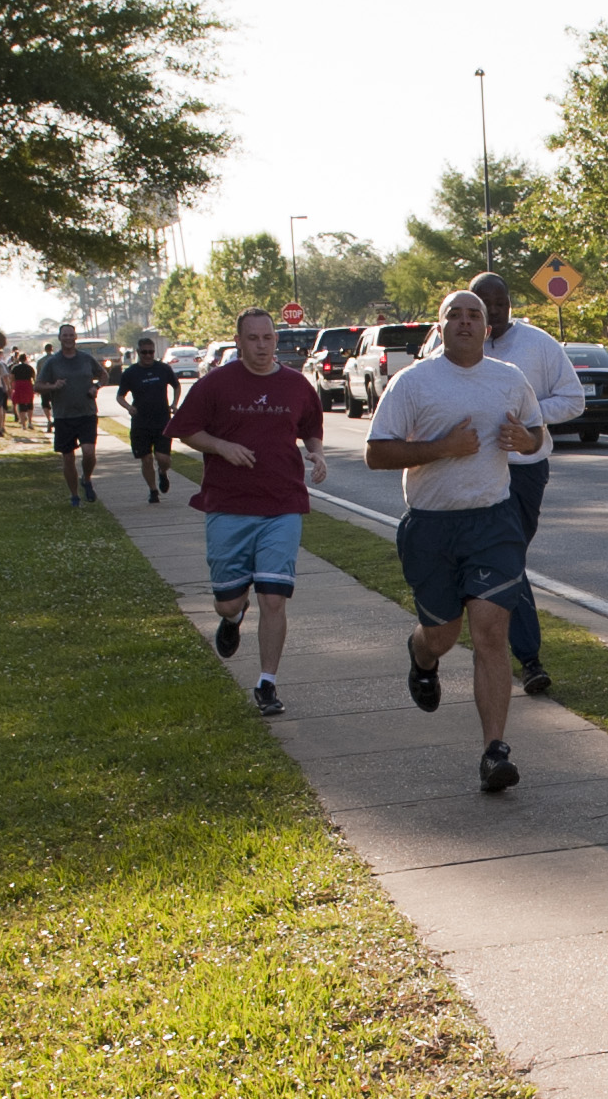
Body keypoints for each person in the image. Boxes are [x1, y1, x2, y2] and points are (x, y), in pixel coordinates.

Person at [363, 288, 544, 793]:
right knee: (442, 635)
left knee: (489, 631)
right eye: (455, 316)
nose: (466, 323)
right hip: (431, 525)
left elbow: (537, 434)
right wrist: (442, 448)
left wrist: (524, 441)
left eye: (475, 316)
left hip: (492, 522)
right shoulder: (412, 383)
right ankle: (421, 657)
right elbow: (376, 454)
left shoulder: (509, 380)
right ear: (439, 328)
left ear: (488, 328)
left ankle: (495, 751)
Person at [164, 308, 328, 716]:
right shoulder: (214, 384)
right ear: (238, 341)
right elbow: (185, 430)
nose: (261, 346)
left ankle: (267, 683)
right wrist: (221, 446)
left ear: (277, 340)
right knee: (227, 602)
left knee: (275, 597)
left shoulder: (296, 385)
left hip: (282, 505)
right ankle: (233, 617)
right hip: (229, 505)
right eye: (252, 338)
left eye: (267, 338)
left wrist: (317, 453)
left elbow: (310, 425)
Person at [467, 270, 584, 695]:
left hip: (525, 469)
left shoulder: (537, 345)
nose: (493, 313)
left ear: (510, 305)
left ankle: (517, 648)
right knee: (505, 556)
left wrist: (529, 419)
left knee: (508, 555)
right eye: (484, 305)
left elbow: (573, 399)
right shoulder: (450, 343)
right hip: (470, 468)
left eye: (500, 304)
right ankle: (529, 658)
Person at [35, 322, 103, 504]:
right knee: (68, 458)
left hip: (86, 413)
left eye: (71, 335)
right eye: (64, 335)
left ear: (75, 337)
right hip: (64, 416)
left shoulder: (86, 359)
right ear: (59, 338)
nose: (68, 338)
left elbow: (103, 375)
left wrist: (96, 387)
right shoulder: (52, 362)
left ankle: (86, 479)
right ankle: (74, 495)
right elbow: (38, 385)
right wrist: (52, 386)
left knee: (89, 452)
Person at [115, 334, 182, 503]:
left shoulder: (163, 369)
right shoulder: (131, 373)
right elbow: (120, 396)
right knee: (146, 459)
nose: (147, 356)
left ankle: (162, 472)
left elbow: (176, 385)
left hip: (162, 420)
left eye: (150, 352)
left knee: (163, 458)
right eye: (144, 352)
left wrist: (174, 403)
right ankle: (153, 490)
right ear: (138, 352)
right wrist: (129, 407)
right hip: (141, 422)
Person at [10, 351, 36, 431]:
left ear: (18, 359)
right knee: (29, 403)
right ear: (25, 359)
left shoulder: (15, 368)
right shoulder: (30, 368)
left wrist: (12, 387)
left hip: (18, 385)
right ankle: (30, 422)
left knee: (21, 404)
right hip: (28, 384)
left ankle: (23, 424)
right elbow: (34, 378)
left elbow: (12, 378)